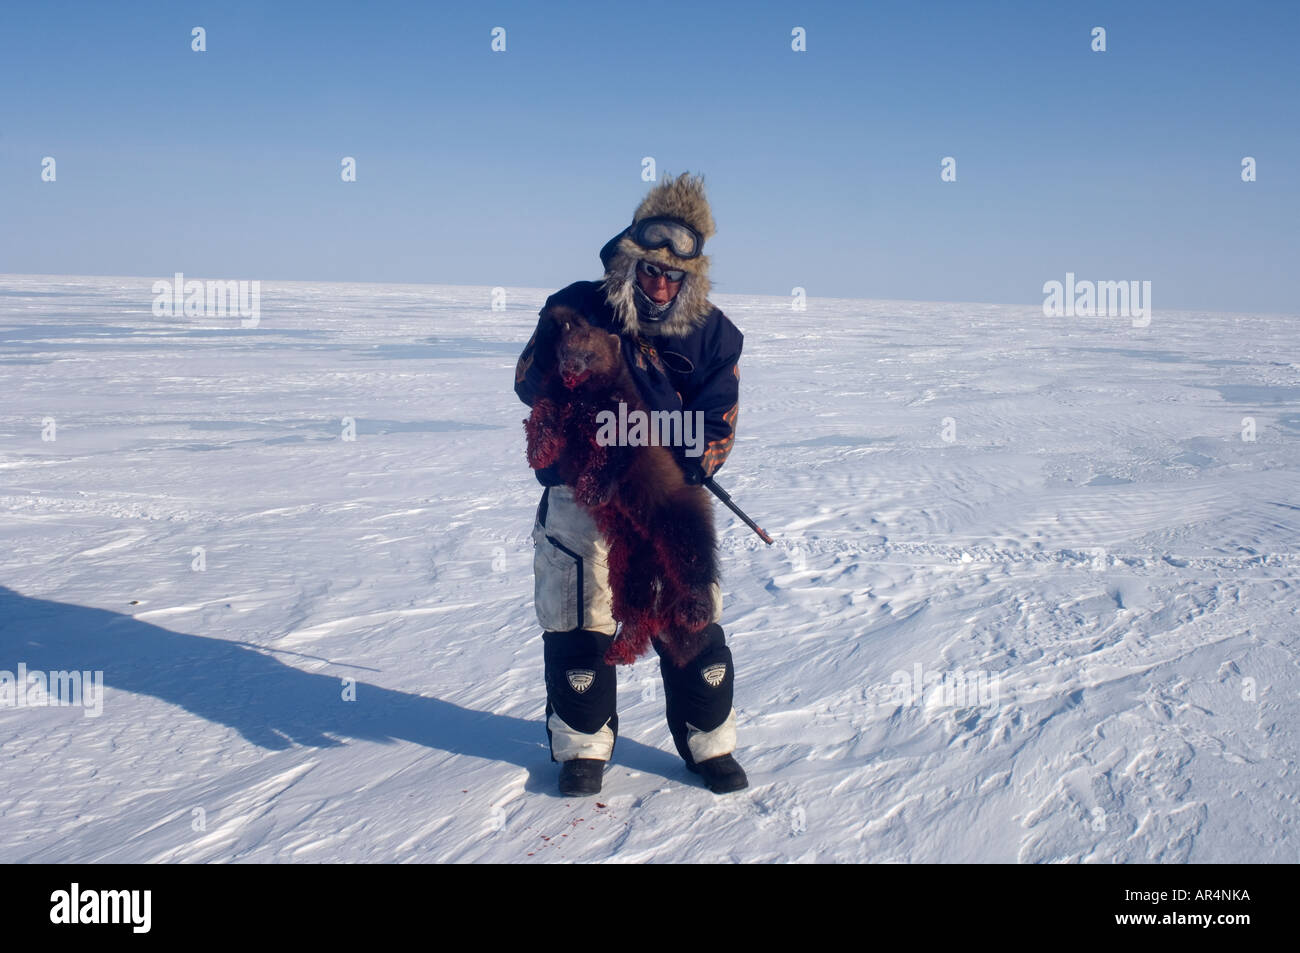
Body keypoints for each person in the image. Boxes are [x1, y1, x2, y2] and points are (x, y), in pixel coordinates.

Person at [513, 173, 748, 796]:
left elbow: (719, 412)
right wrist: (572, 379)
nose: (660, 285)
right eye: (649, 270)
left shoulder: (714, 335)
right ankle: (582, 748)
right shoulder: (574, 307)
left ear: (692, 278)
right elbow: (527, 384)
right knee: (578, 612)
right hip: (580, 488)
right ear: (629, 260)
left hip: (661, 491)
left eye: (675, 276)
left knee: (688, 607)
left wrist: (700, 452)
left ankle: (708, 743)